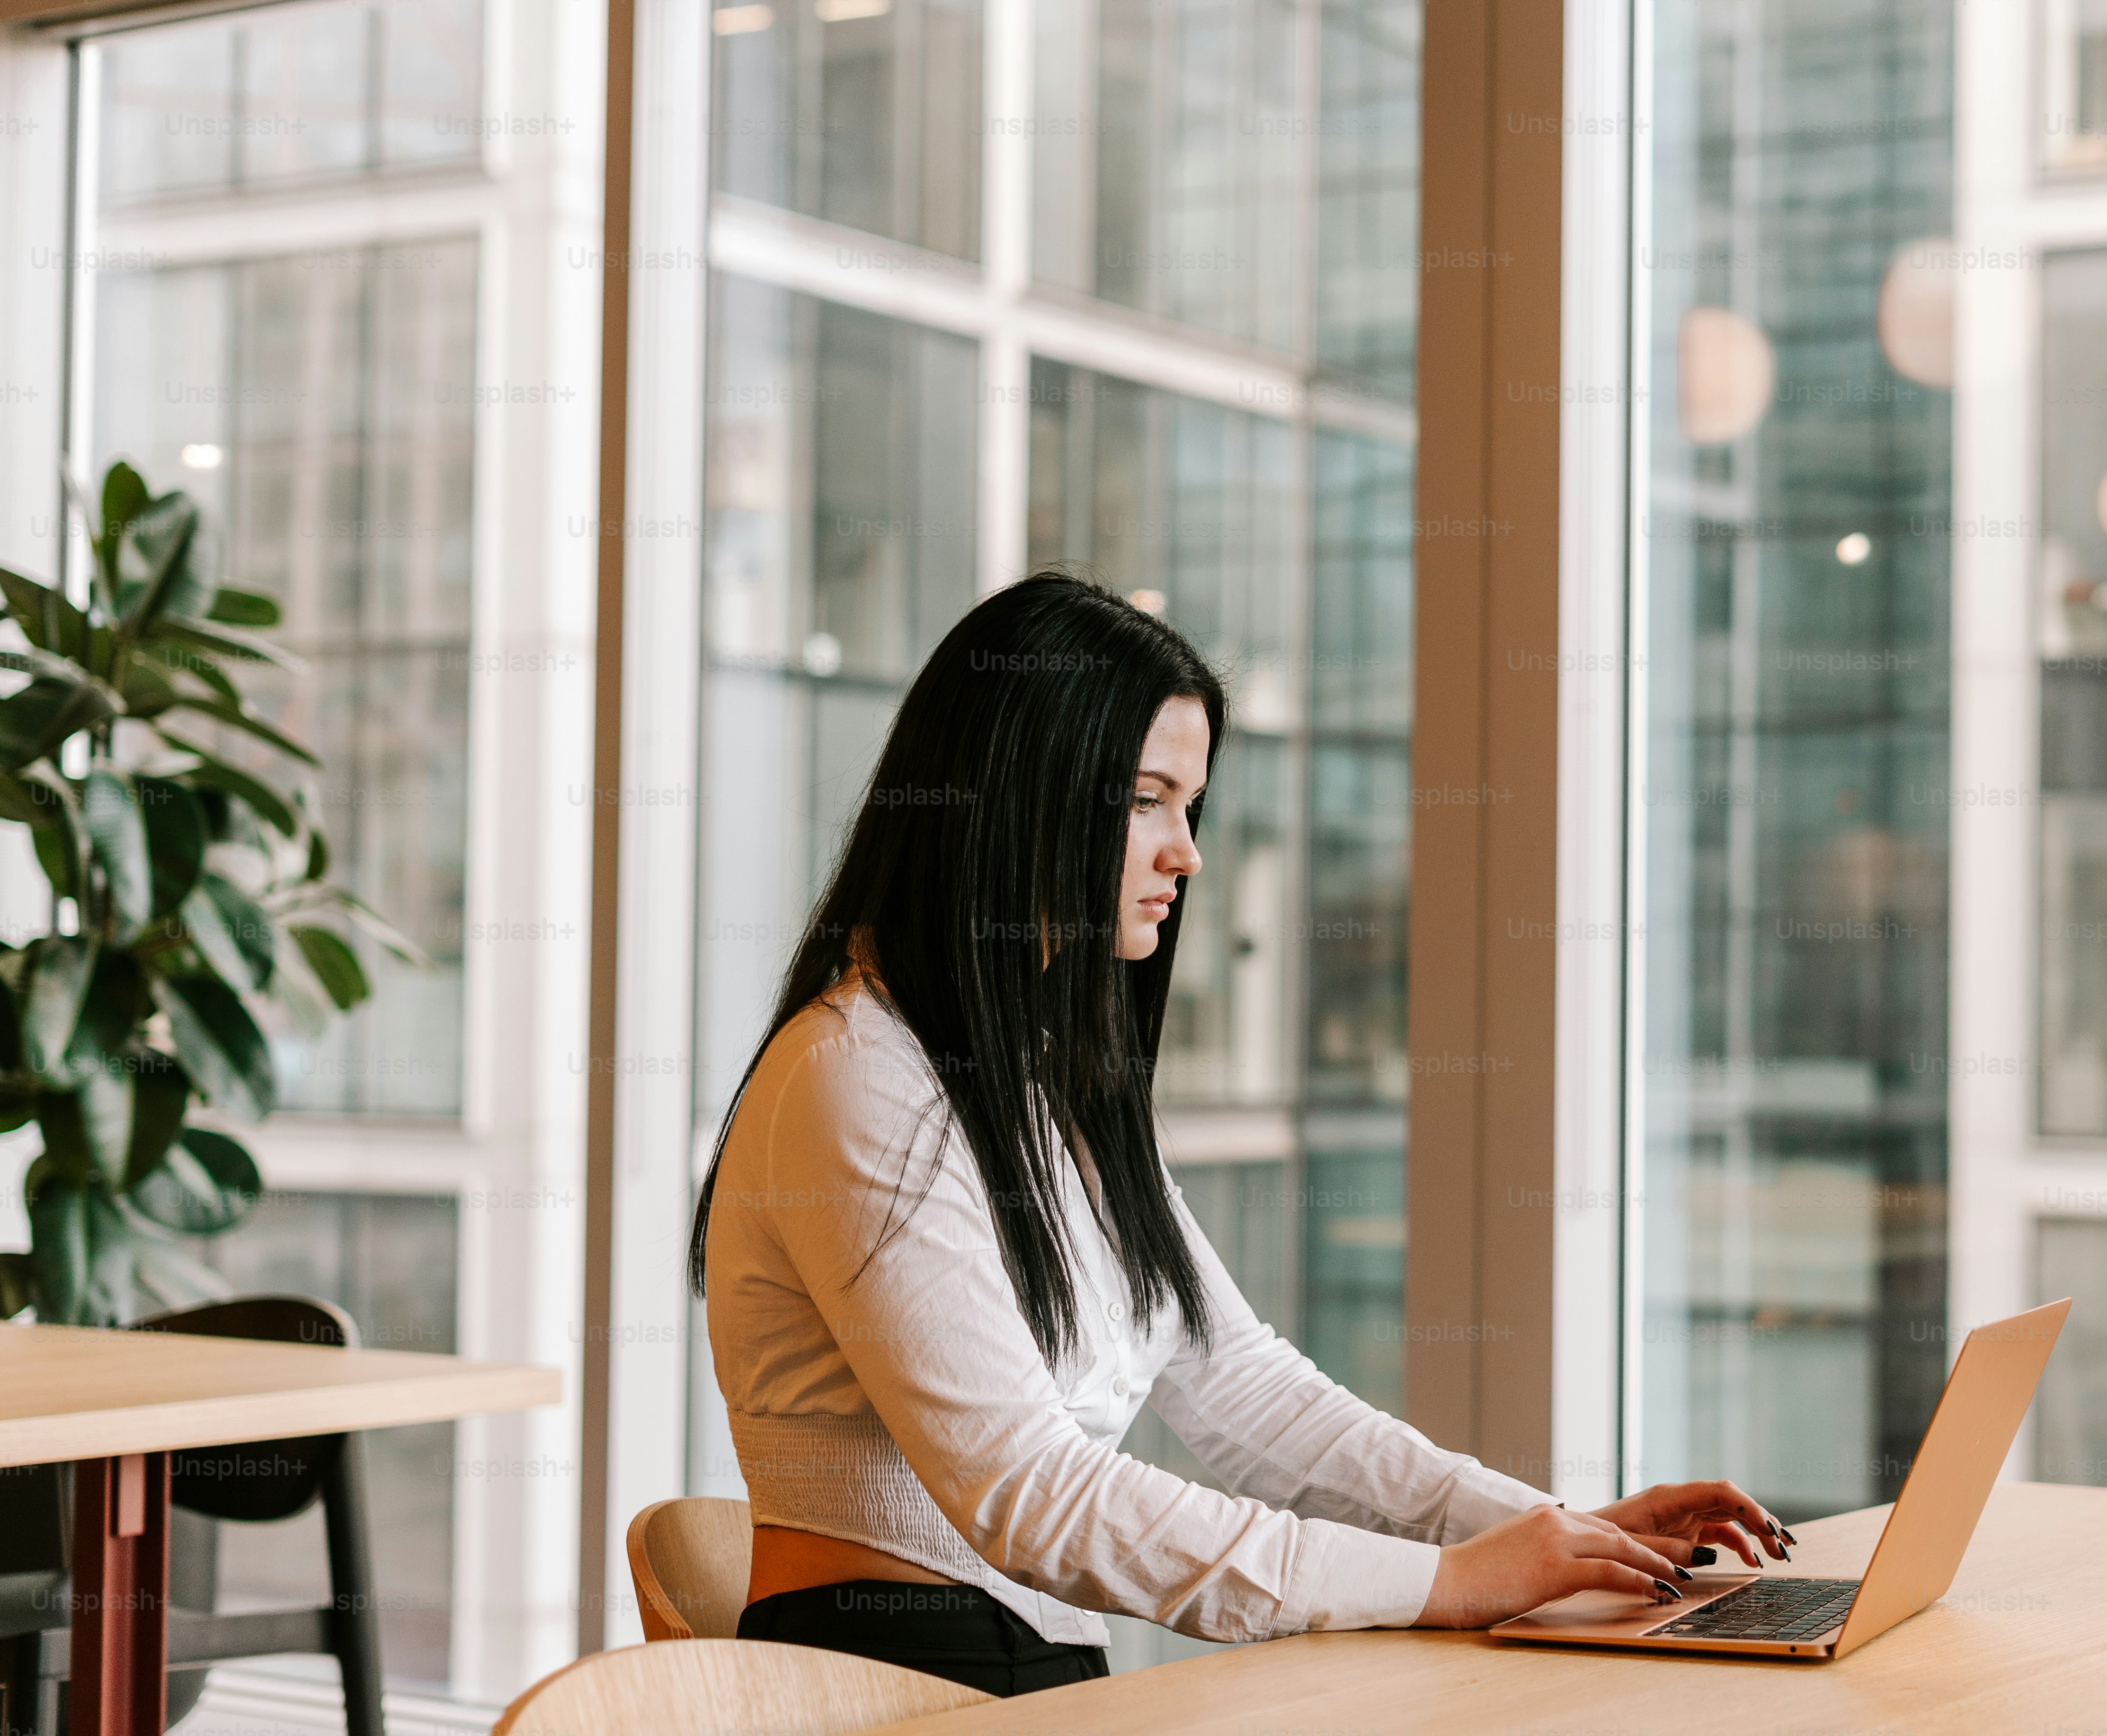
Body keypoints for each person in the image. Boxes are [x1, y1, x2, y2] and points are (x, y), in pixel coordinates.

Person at [693, 571, 1791, 1697]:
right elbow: (1030, 1497)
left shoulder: (1042, 1088)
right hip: (890, 1682)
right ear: (1010, 795)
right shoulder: (855, 1074)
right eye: (1141, 800)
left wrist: (1550, 1532)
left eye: (1189, 804)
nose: (1186, 854)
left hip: (1030, 1670)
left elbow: (1247, 1391)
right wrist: (1445, 1582)